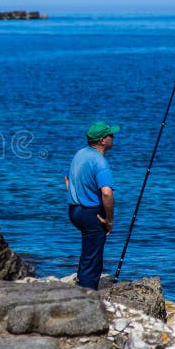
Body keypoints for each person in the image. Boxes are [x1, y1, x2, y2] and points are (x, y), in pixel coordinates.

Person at [64, 121, 119, 290]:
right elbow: (107, 193)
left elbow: (67, 180)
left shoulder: (79, 154)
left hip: (74, 210)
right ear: (103, 141)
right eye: (110, 135)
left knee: (88, 254)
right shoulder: (100, 162)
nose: (113, 137)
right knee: (93, 259)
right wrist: (109, 220)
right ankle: (87, 297)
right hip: (91, 214)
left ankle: (82, 286)